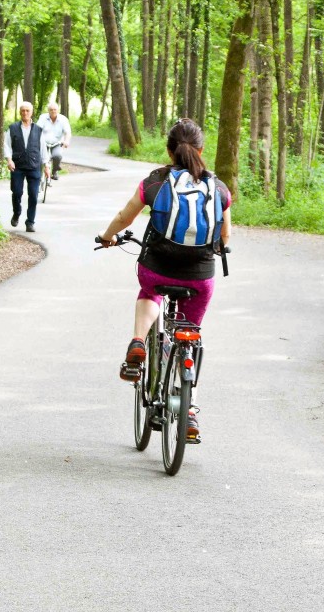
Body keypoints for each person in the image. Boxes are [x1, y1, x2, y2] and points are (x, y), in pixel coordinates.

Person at [98, 119, 232, 442]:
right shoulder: (219, 188)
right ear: (201, 150)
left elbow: (124, 217)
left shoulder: (155, 182)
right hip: (199, 277)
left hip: (157, 268)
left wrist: (107, 237)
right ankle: (189, 410)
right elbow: (224, 237)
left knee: (149, 292)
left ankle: (138, 341)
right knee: (191, 335)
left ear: (169, 151)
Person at [3, 101, 50, 233]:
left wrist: (46, 166)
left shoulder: (38, 130)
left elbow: (43, 149)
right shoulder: (12, 128)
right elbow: (7, 145)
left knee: (34, 195)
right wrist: (9, 160)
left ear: (31, 112)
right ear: (20, 112)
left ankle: (30, 222)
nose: (25, 113)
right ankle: (17, 213)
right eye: (23, 110)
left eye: (27, 110)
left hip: (34, 165)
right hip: (17, 165)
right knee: (17, 192)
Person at [36, 101, 72, 180]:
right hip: (44, 143)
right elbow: (37, 129)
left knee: (57, 156)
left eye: (55, 109)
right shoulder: (43, 117)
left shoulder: (63, 119)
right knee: (39, 157)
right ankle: (37, 174)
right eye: (51, 109)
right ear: (48, 110)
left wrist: (66, 141)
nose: (53, 111)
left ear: (57, 110)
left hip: (57, 143)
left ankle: (55, 171)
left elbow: (68, 132)